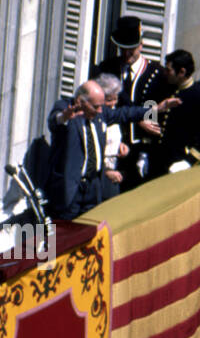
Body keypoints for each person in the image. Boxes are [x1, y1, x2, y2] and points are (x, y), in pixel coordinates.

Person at [90, 16, 167, 188]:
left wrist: (145, 120)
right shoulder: (107, 68)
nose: (126, 55)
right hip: (112, 146)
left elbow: (155, 105)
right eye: (122, 49)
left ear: (141, 45)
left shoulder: (155, 73)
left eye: (131, 50)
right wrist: (138, 119)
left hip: (140, 148)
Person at [44, 80, 110, 220]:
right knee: (65, 233)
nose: (100, 111)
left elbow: (126, 113)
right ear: (81, 101)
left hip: (93, 187)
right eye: (96, 106)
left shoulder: (98, 115)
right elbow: (54, 122)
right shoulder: (64, 107)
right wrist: (64, 117)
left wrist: (155, 110)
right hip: (71, 189)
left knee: (89, 230)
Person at [156, 50, 200, 169]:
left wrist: (189, 161)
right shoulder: (165, 87)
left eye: (169, 70)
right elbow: (148, 104)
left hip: (179, 160)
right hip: (158, 157)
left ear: (182, 72)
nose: (165, 73)